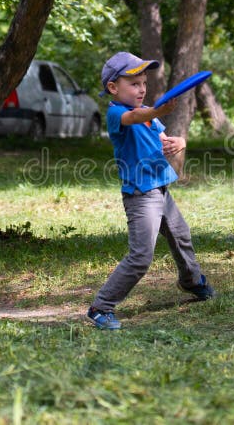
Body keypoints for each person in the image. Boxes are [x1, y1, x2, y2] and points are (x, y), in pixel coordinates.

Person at [86, 51, 215, 330]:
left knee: (181, 235)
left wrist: (177, 142)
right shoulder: (117, 113)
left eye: (143, 82)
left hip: (160, 189)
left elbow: (163, 138)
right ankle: (101, 307)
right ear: (113, 87)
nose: (141, 88)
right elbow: (134, 117)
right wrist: (157, 110)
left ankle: (192, 281)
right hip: (141, 195)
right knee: (142, 256)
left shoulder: (149, 116)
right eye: (134, 83)